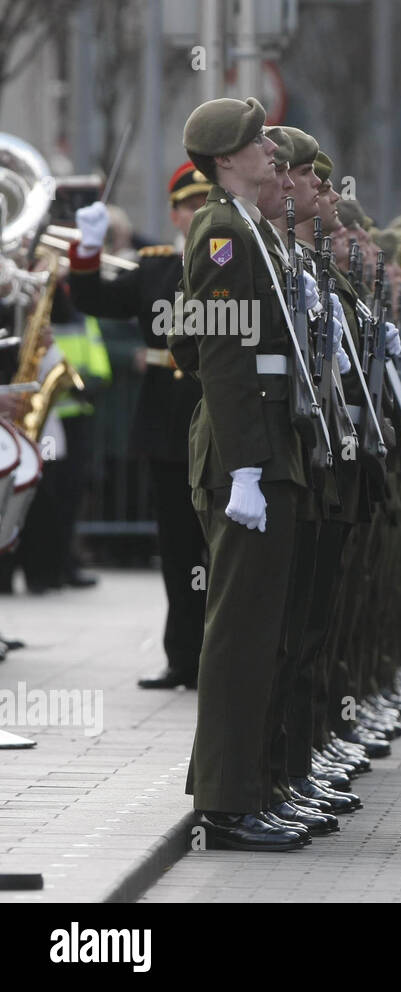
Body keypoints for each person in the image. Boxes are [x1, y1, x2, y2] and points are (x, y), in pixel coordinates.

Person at [168, 97, 314, 852]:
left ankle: (238, 788)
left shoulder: (248, 226)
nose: (270, 150)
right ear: (228, 159)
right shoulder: (223, 230)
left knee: (257, 633)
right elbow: (222, 357)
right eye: (257, 141)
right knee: (238, 636)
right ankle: (226, 807)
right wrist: (248, 470)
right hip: (242, 456)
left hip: (261, 449)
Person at [66, 164, 211, 690]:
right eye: (188, 206)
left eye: (205, 204)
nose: (197, 215)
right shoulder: (155, 267)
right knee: (176, 548)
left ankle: (220, 659)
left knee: (219, 550)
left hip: (216, 417)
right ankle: (182, 657)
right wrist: (86, 247)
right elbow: (92, 300)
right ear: (174, 214)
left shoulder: (230, 264)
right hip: (167, 423)